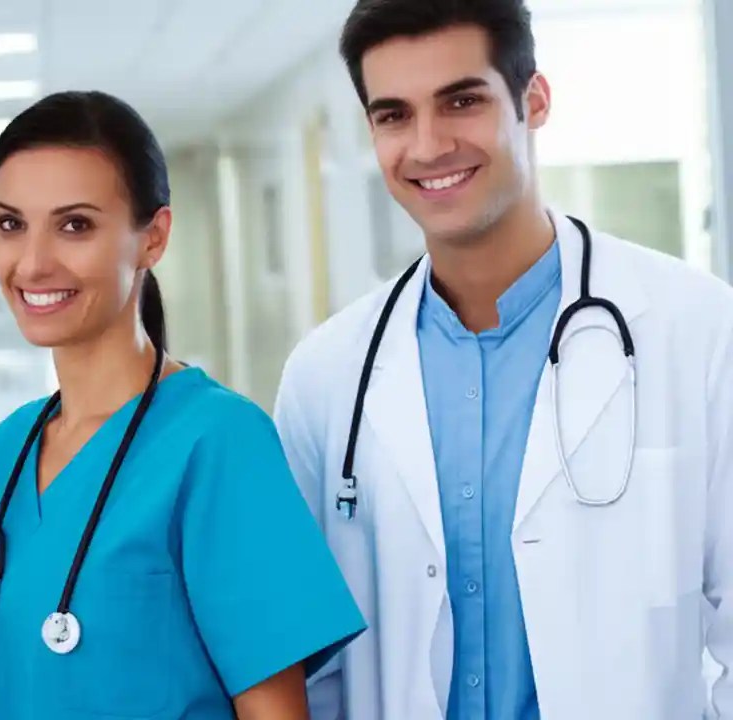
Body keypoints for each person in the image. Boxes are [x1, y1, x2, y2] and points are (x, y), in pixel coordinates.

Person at [273, 0, 733, 718]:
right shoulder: (326, 375)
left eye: (461, 101)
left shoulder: (699, 329)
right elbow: (308, 663)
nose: (427, 146)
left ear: (534, 101)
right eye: (394, 115)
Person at [0, 90, 365, 720]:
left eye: (75, 225)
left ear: (153, 237)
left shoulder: (219, 440)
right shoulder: (11, 445)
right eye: (11, 223)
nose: (32, 263)